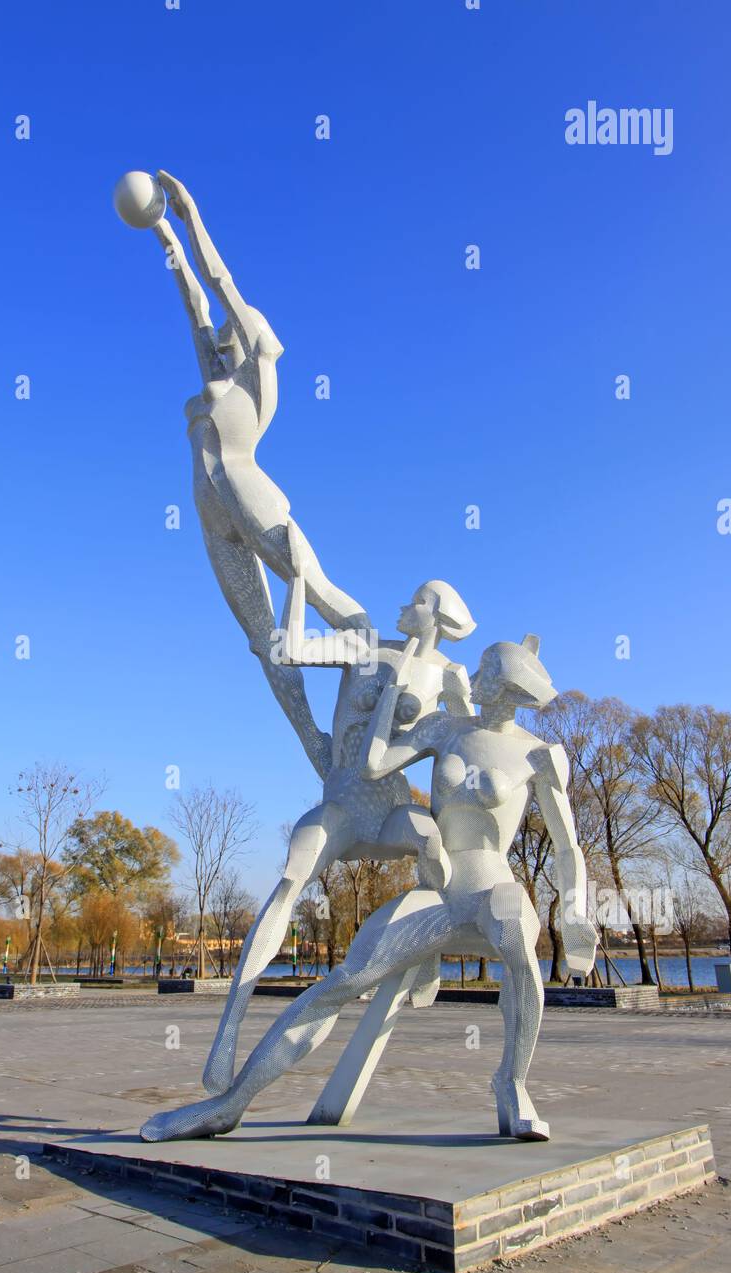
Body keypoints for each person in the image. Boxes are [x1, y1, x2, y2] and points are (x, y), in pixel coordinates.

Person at [141, 635, 597, 1143]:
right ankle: (229, 1104)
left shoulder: (540, 755)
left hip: (494, 888)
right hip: (441, 891)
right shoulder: (444, 728)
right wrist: (389, 696)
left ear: (514, 689)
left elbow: (567, 848)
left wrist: (576, 914)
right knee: (342, 981)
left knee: (518, 944)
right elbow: (375, 765)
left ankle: (512, 1084)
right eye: (483, 669)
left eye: (491, 673)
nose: (478, 679)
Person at [201, 541, 475, 1096]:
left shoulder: (450, 675)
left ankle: (426, 955)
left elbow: (466, 746)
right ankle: (228, 1032)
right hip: (345, 803)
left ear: (437, 616)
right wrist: (298, 582)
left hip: (392, 806)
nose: (407, 604)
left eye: (418, 600)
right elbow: (291, 648)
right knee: (288, 883)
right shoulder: (365, 645)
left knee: (432, 840)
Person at [151, 172, 368, 778]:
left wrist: (191, 215)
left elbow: (219, 286)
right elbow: (192, 300)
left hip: (250, 494)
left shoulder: (256, 376)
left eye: (231, 337)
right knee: (263, 642)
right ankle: (316, 746)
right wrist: (161, 231)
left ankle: (366, 640)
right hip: (211, 516)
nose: (220, 343)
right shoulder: (216, 374)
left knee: (315, 587)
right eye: (218, 342)